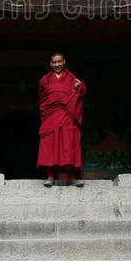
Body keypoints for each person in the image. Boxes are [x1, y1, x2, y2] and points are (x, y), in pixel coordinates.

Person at [37, 52, 86, 187]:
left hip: (67, 116)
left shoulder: (71, 78)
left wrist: (79, 87)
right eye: (54, 62)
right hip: (51, 116)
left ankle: (72, 177)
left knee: (69, 144)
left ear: (64, 62)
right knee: (50, 144)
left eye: (59, 62)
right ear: (50, 63)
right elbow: (42, 99)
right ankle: (50, 176)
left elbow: (81, 90)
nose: (57, 64)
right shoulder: (45, 80)